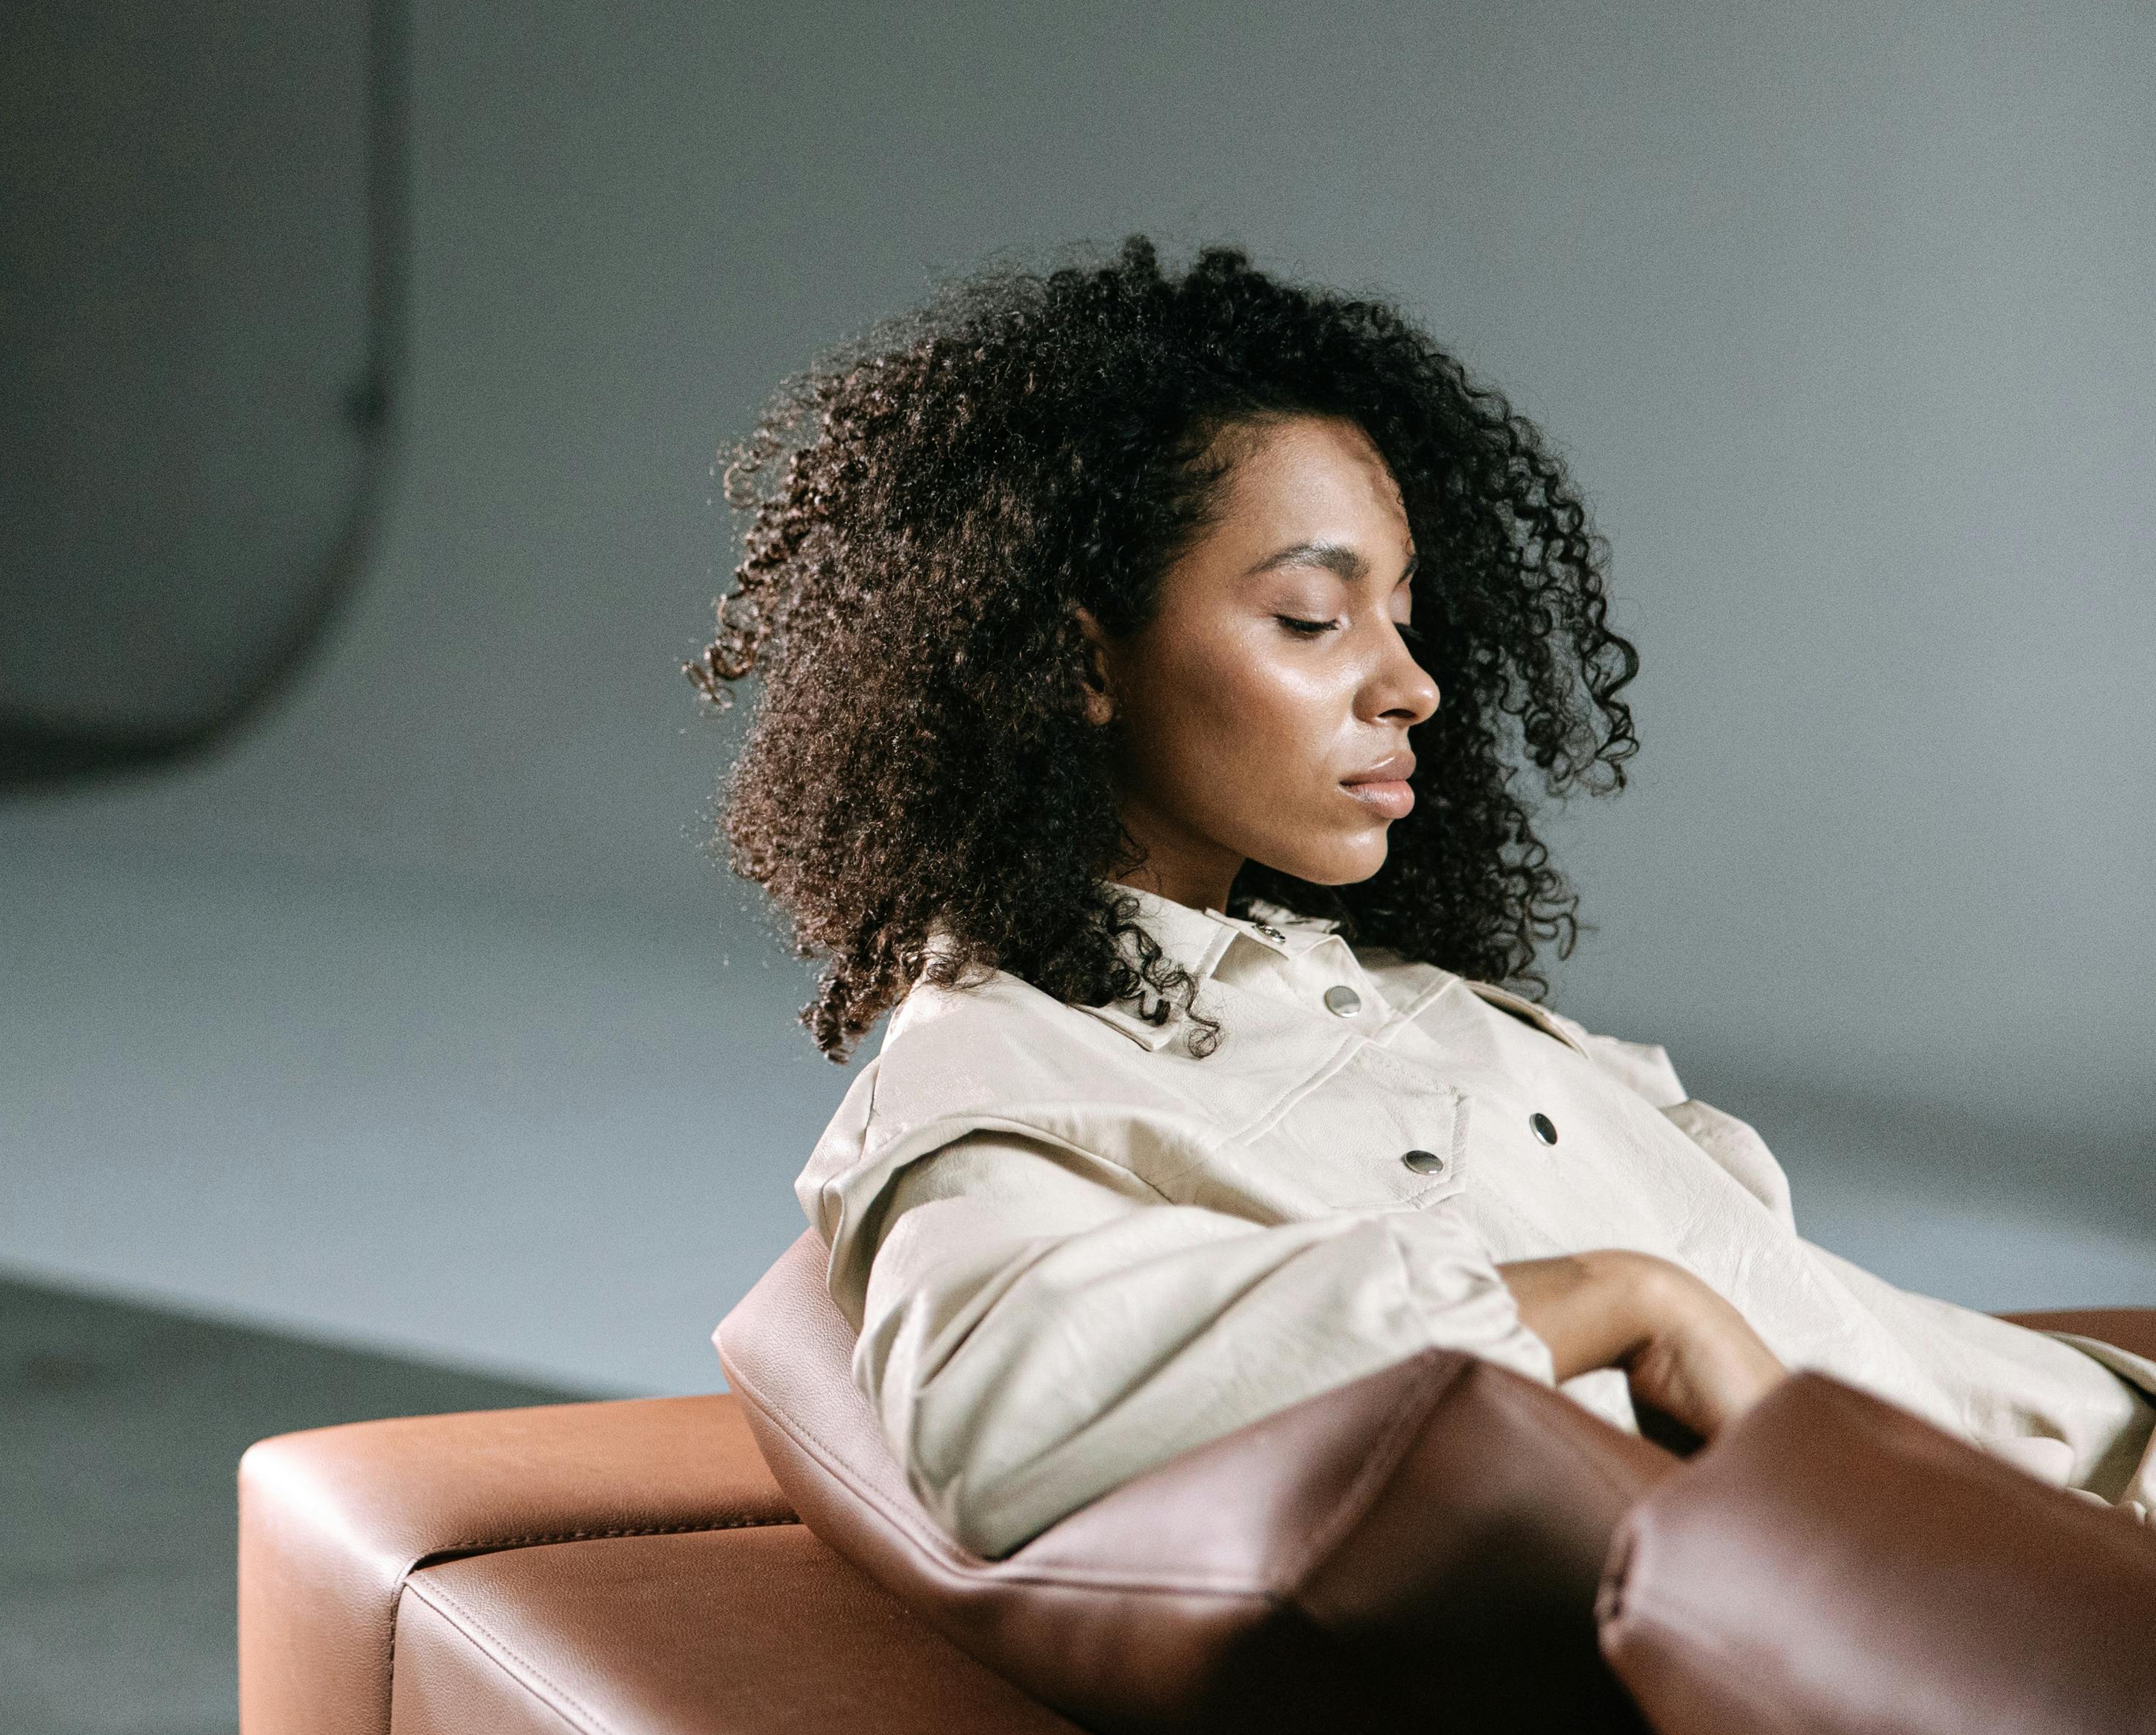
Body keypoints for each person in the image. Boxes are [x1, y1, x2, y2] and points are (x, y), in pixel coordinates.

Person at [690, 238, 2156, 1559]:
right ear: (1076, 661)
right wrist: (1623, 1297)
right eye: (1311, 618)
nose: (1412, 684)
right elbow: (1010, 1399)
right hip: (2022, 1589)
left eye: (1399, 612)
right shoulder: (1005, 1069)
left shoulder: (1334, 979)